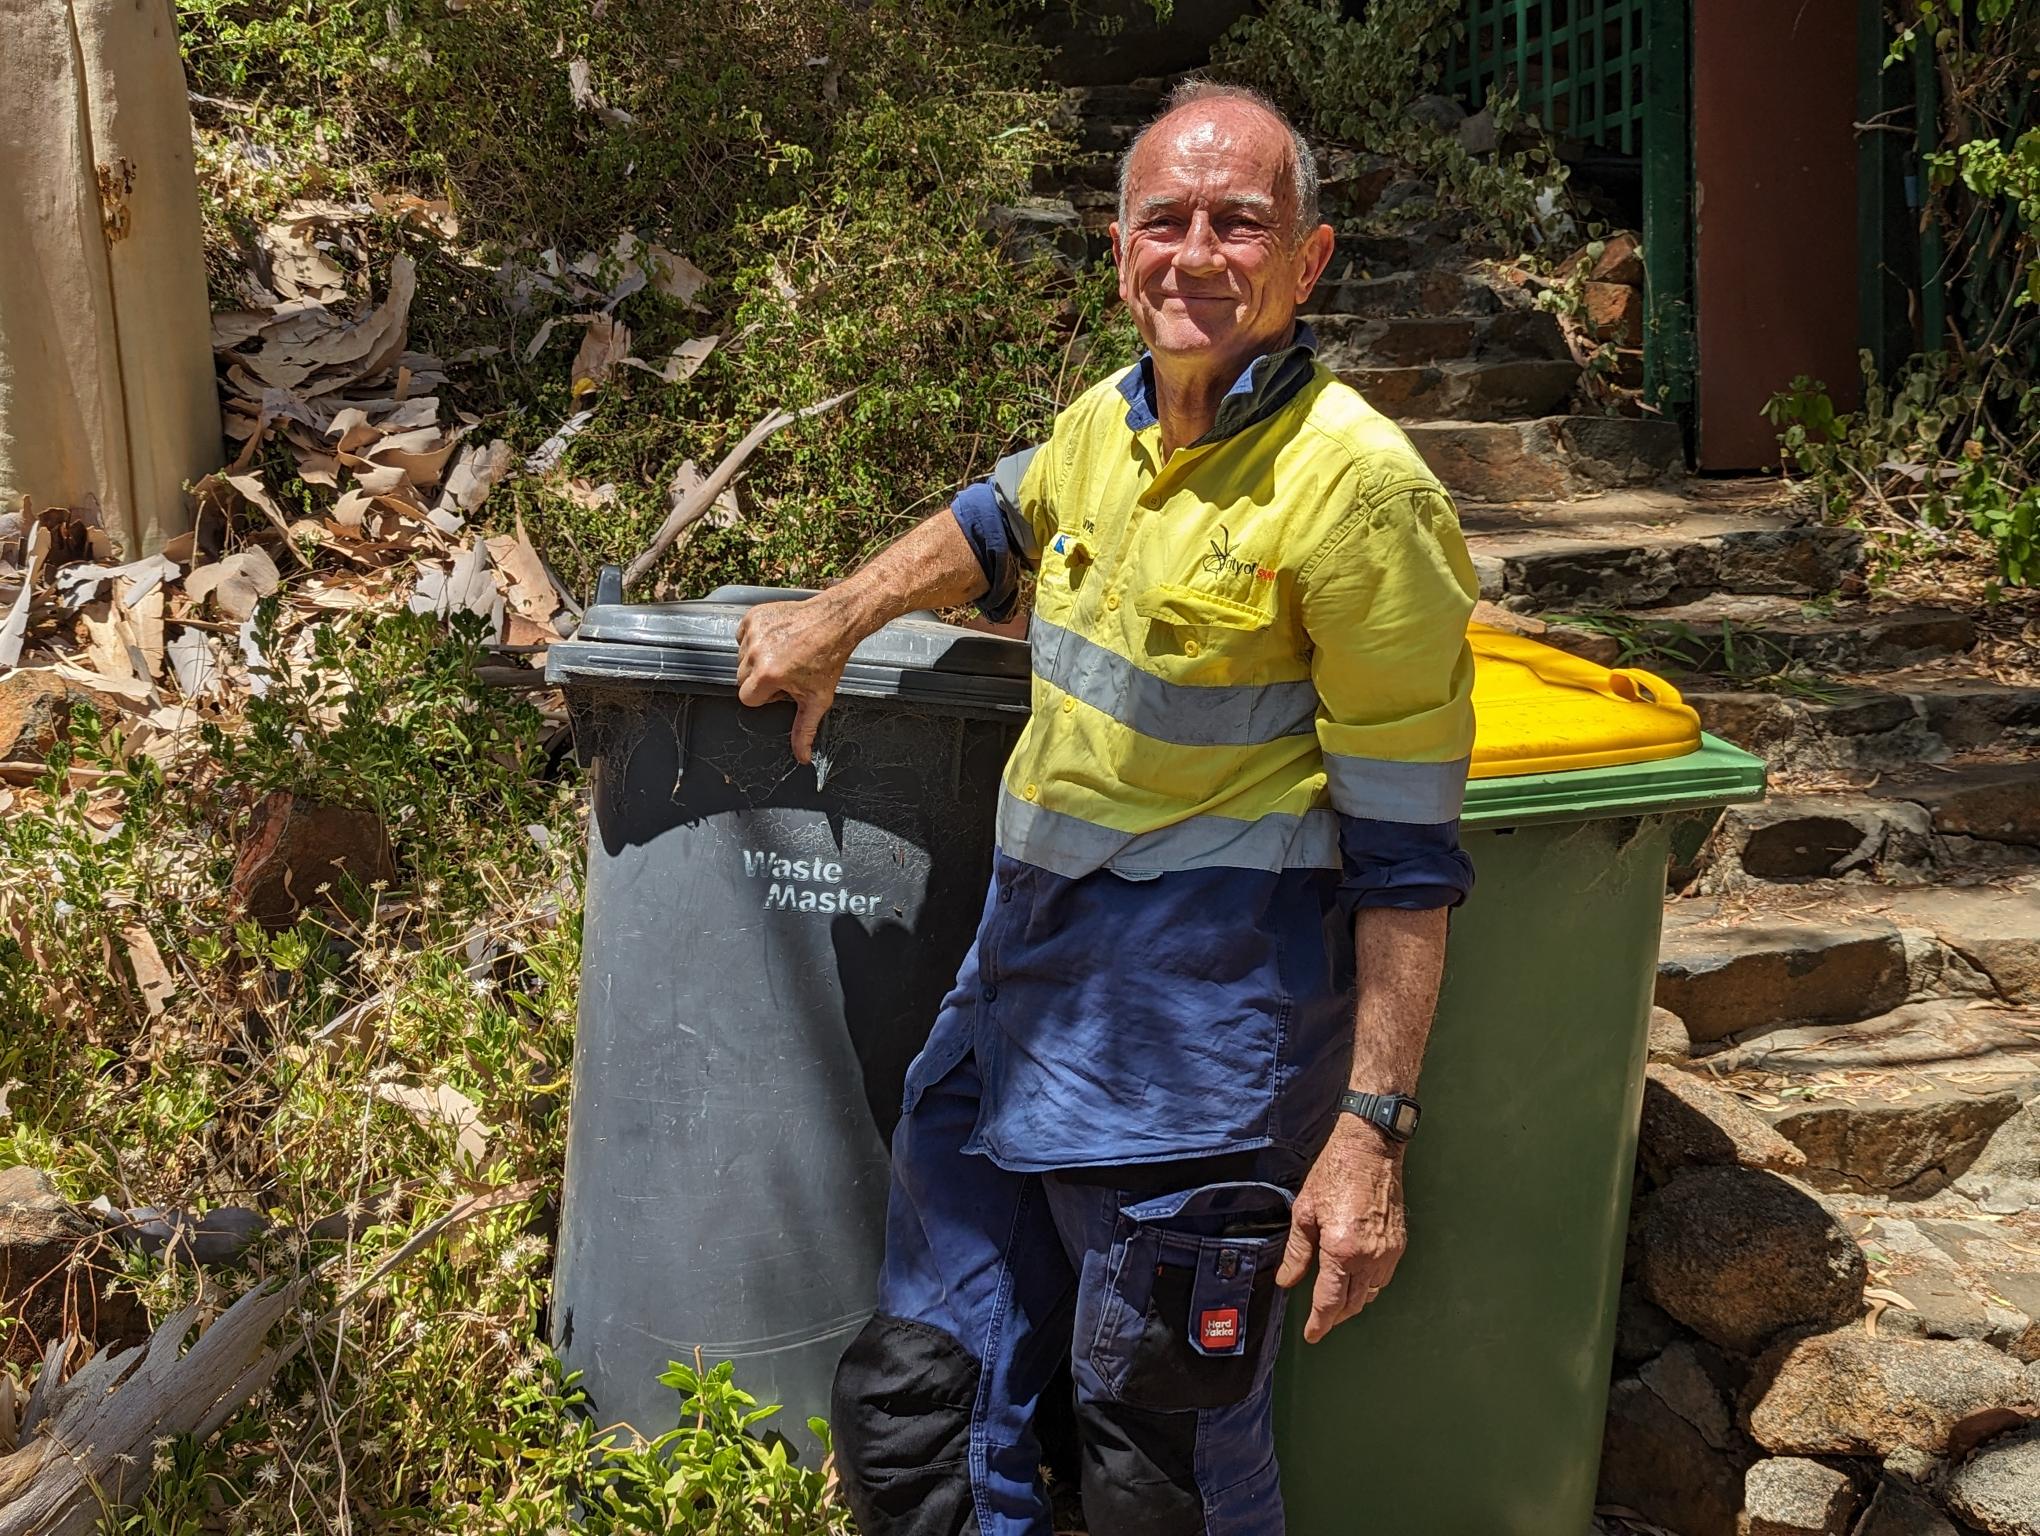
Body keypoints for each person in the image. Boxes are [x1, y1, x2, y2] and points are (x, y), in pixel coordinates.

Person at [734, 78, 1478, 1536]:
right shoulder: (1109, 422)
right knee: (918, 1414)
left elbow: (1407, 858)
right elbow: (993, 518)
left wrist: (1371, 1130)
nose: (1196, 253)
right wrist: (837, 616)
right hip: (1016, 1001)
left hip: (1201, 1048)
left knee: (1161, 1472)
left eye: (1239, 222)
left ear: (1309, 259)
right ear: (1121, 245)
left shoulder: (1360, 496)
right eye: (1164, 220)